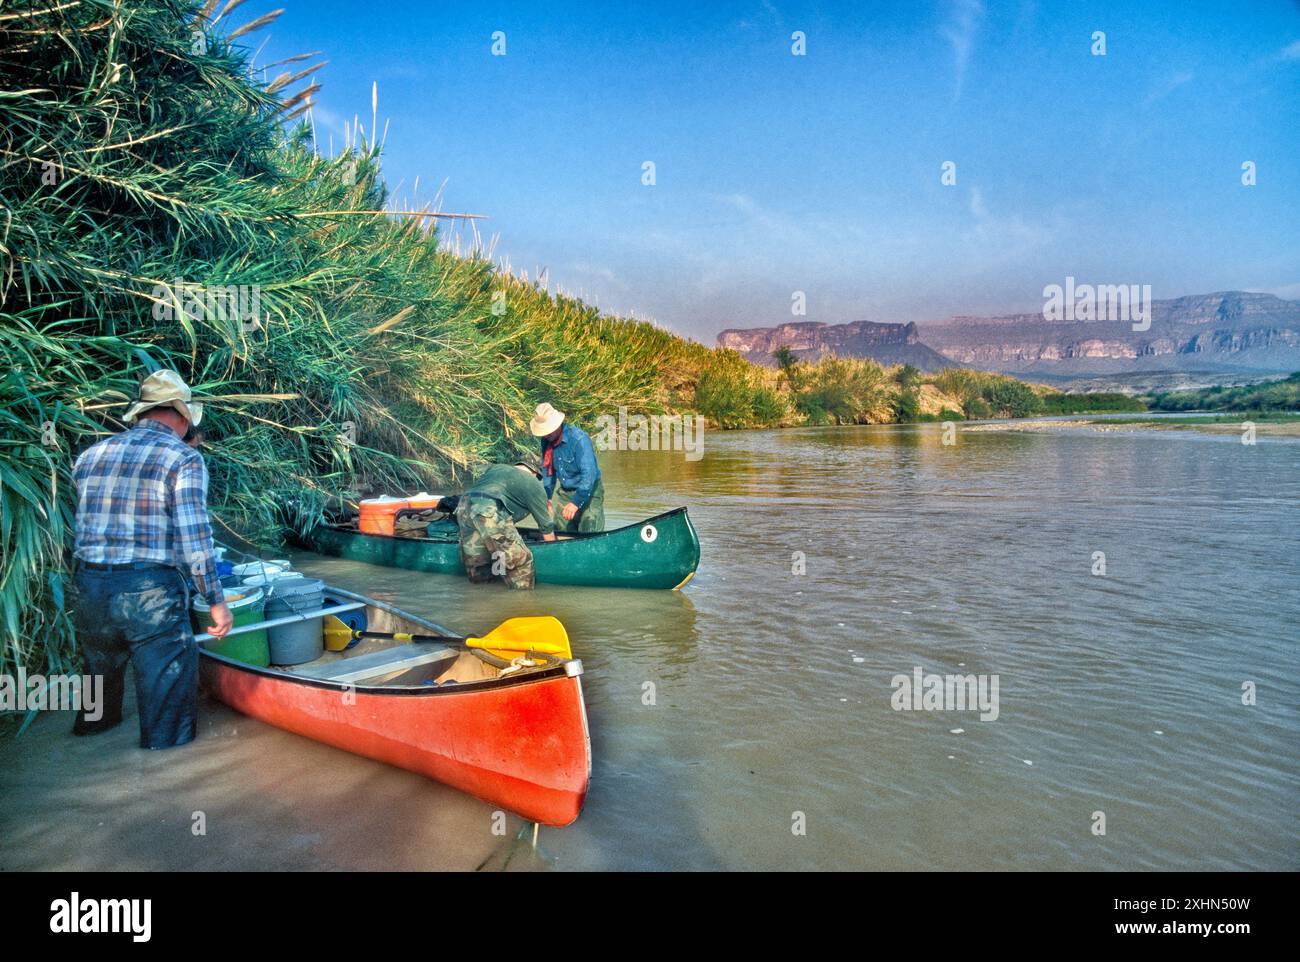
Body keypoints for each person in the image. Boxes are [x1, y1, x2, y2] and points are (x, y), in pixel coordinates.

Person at [71, 370, 231, 749]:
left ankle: (88, 738)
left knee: (97, 681)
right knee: (166, 705)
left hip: (90, 586)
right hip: (149, 592)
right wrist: (217, 601)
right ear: (182, 415)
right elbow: (195, 538)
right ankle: (164, 768)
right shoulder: (183, 458)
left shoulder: (91, 456)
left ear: (142, 413)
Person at [456, 461, 557, 590]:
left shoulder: (497, 469)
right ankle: (522, 603)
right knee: (520, 562)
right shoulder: (532, 482)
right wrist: (553, 551)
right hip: (489, 509)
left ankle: (484, 599)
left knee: (480, 564)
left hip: (463, 507)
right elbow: (546, 527)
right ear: (535, 473)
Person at [530, 402, 604, 533]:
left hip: (590, 491)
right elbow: (548, 471)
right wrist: (547, 498)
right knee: (560, 530)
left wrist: (575, 503)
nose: (546, 435)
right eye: (544, 432)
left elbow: (589, 475)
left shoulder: (579, 440)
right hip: (565, 491)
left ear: (557, 424)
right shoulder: (546, 441)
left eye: (548, 431)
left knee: (589, 528)